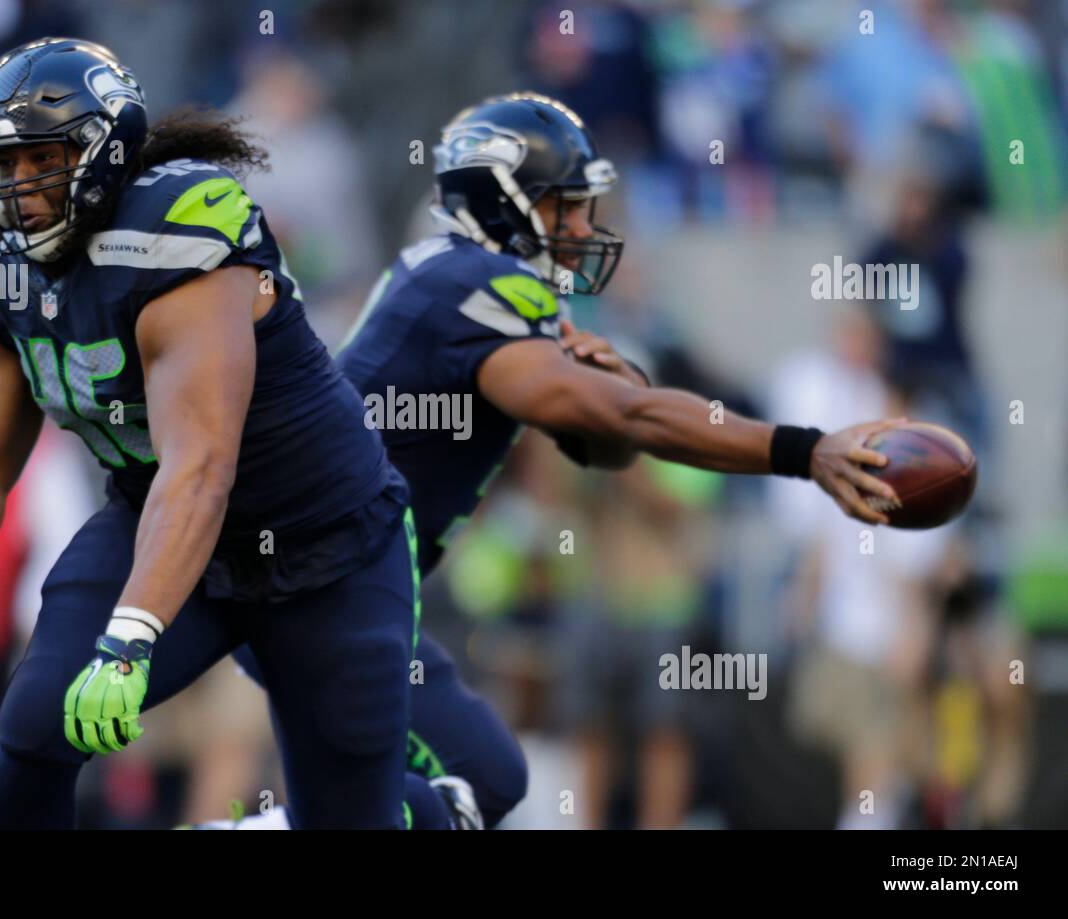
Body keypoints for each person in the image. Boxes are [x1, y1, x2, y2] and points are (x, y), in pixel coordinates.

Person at [228, 93, 906, 830]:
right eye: (565, 208)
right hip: (315, 592)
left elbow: (604, 443)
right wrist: (805, 451)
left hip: (336, 592)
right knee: (456, 784)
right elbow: (629, 421)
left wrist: (607, 385)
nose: (585, 228)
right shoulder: (479, 285)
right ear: (502, 206)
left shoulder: (460, 278)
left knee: (480, 778)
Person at [0, 38, 419, 830]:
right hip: (155, 516)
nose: (19, 190)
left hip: (325, 542)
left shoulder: (176, 232)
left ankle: (437, 813)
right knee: (35, 723)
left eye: (41, 160)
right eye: (3, 165)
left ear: (105, 153)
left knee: (349, 819)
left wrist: (130, 635)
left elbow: (202, 466)